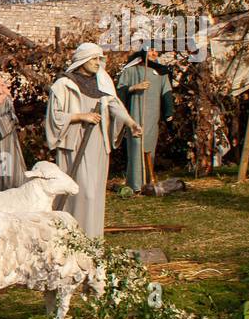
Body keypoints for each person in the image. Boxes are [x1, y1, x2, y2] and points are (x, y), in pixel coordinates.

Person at [45, 43, 142, 238]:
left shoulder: (102, 83)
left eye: (100, 59)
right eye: (95, 59)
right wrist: (80, 116)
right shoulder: (64, 85)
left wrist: (131, 123)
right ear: (82, 60)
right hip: (75, 143)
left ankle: (93, 239)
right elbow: (54, 116)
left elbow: (115, 105)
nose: (99, 63)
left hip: (97, 142)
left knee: (95, 192)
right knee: (83, 192)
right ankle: (72, 236)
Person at [116, 44, 175, 191]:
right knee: (136, 146)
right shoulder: (131, 71)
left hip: (152, 116)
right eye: (152, 50)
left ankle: (149, 181)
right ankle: (135, 184)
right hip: (135, 116)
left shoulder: (161, 73)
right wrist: (134, 88)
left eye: (156, 51)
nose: (155, 53)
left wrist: (169, 113)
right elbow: (119, 92)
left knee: (149, 145)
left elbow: (166, 93)